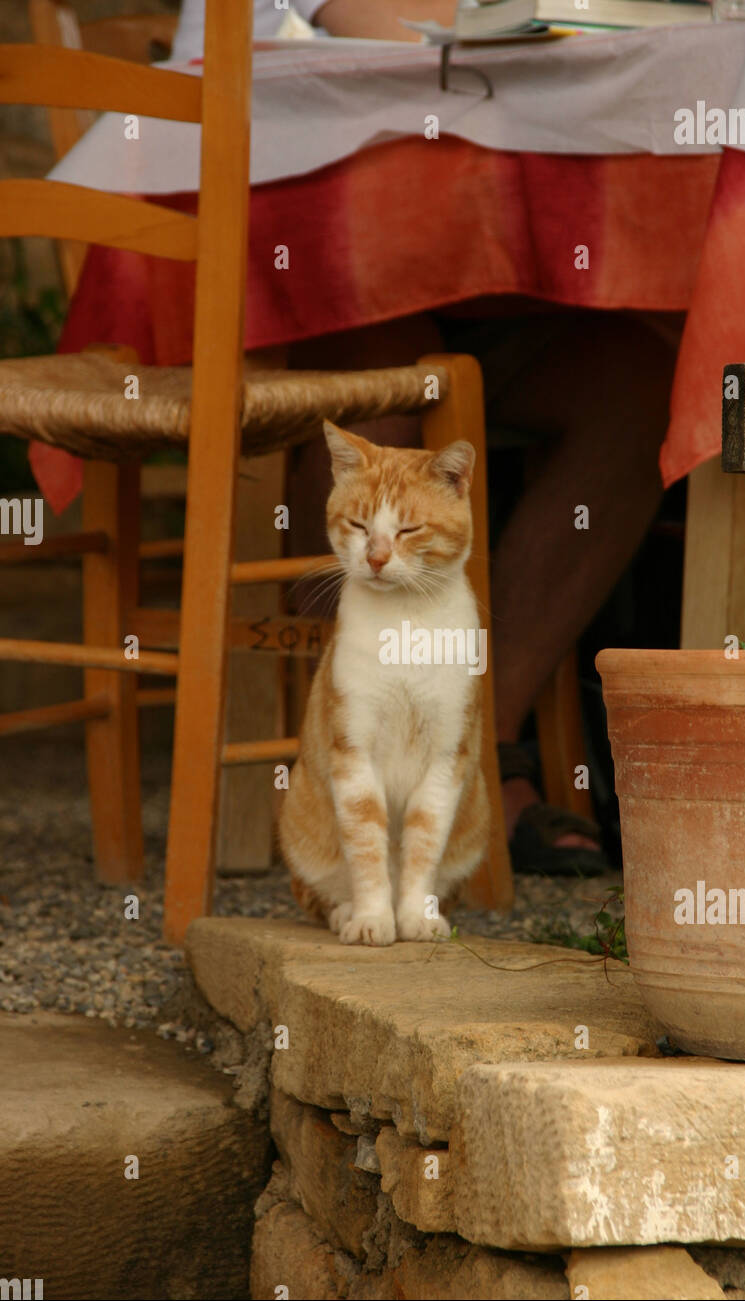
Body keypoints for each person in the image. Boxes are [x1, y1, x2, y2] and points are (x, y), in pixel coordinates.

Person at [174, 0, 682, 873]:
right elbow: (373, 20)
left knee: (646, 389)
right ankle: (346, 747)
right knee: (381, 394)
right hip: (310, 276)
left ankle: (482, 746)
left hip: (506, 287)